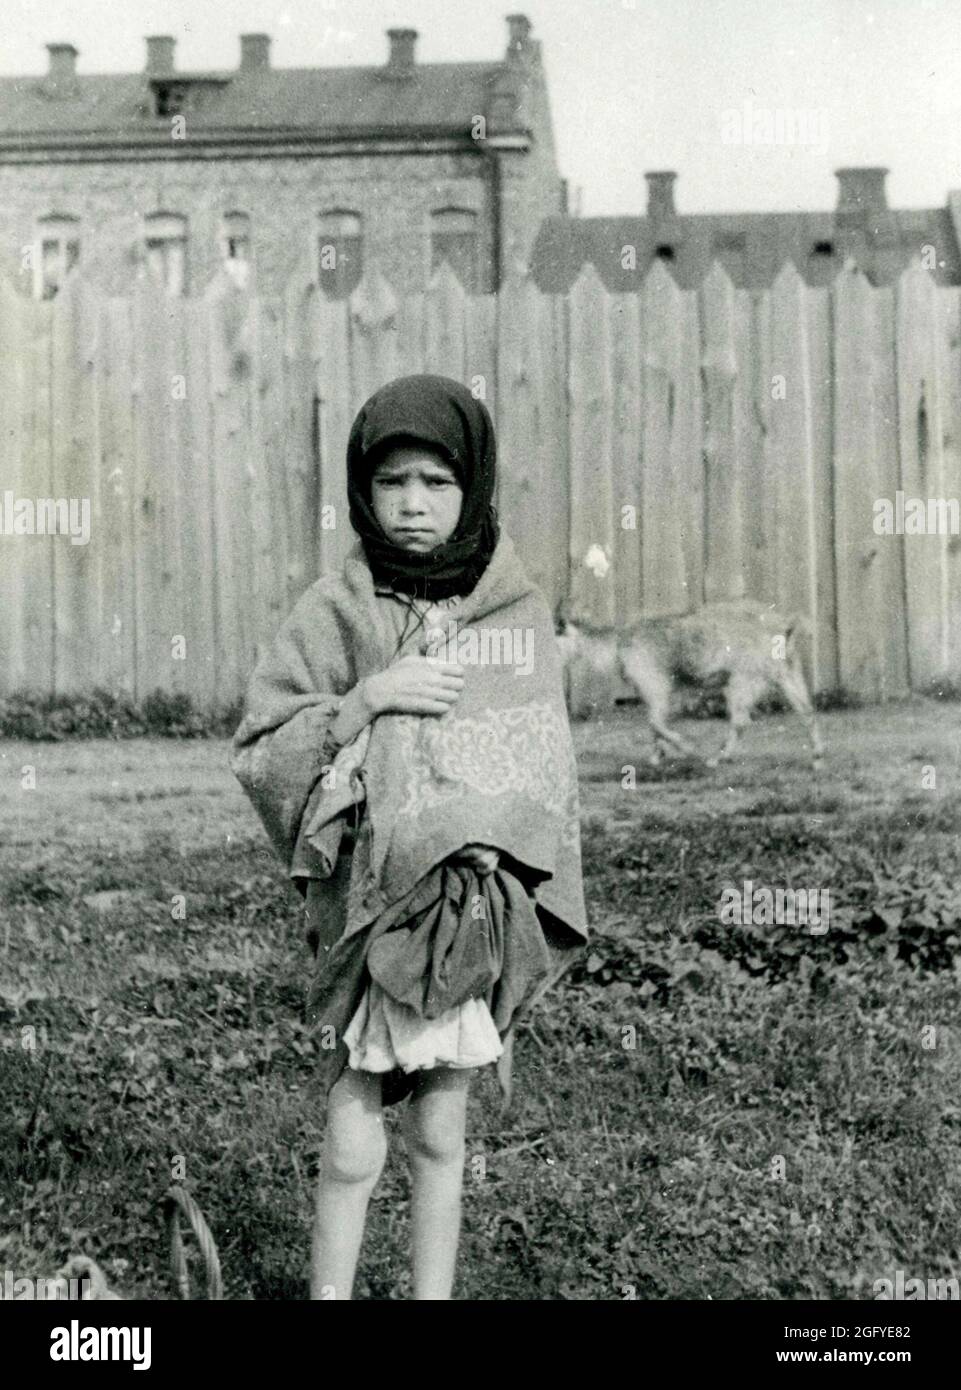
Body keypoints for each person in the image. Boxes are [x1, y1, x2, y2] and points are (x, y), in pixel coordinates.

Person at [231, 374, 588, 1300]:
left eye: (435, 481)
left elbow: (538, 765)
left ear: (472, 486)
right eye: (392, 482)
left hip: (471, 910)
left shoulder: (513, 611)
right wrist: (363, 702)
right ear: (361, 489)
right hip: (372, 907)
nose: (413, 504)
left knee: (442, 1127)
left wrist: (491, 854)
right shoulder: (335, 609)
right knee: (354, 1126)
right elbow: (264, 744)